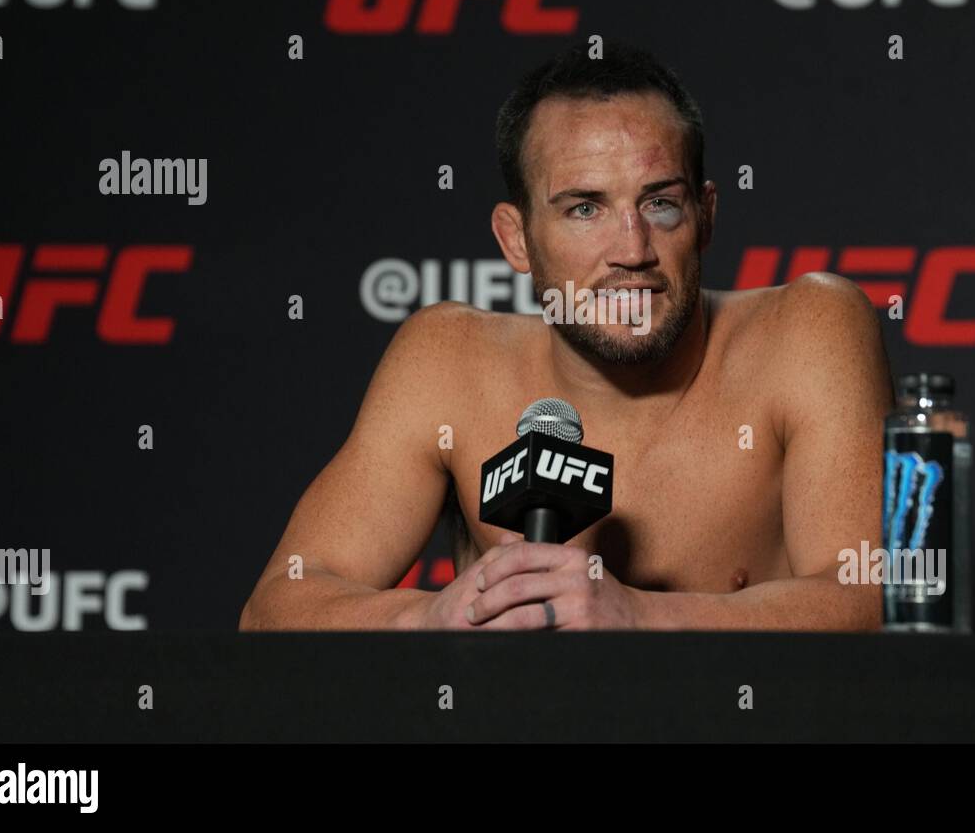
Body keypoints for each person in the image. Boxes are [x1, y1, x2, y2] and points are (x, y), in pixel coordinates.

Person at [239, 39, 894, 631]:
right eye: (585, 209)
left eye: (660, 203)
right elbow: (277, 606)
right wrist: (436, 618)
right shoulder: (447, 362)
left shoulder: (807, 331)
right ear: (516, 240)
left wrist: (640, 618)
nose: (631, 249)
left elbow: (874, 594)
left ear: (707, 215)